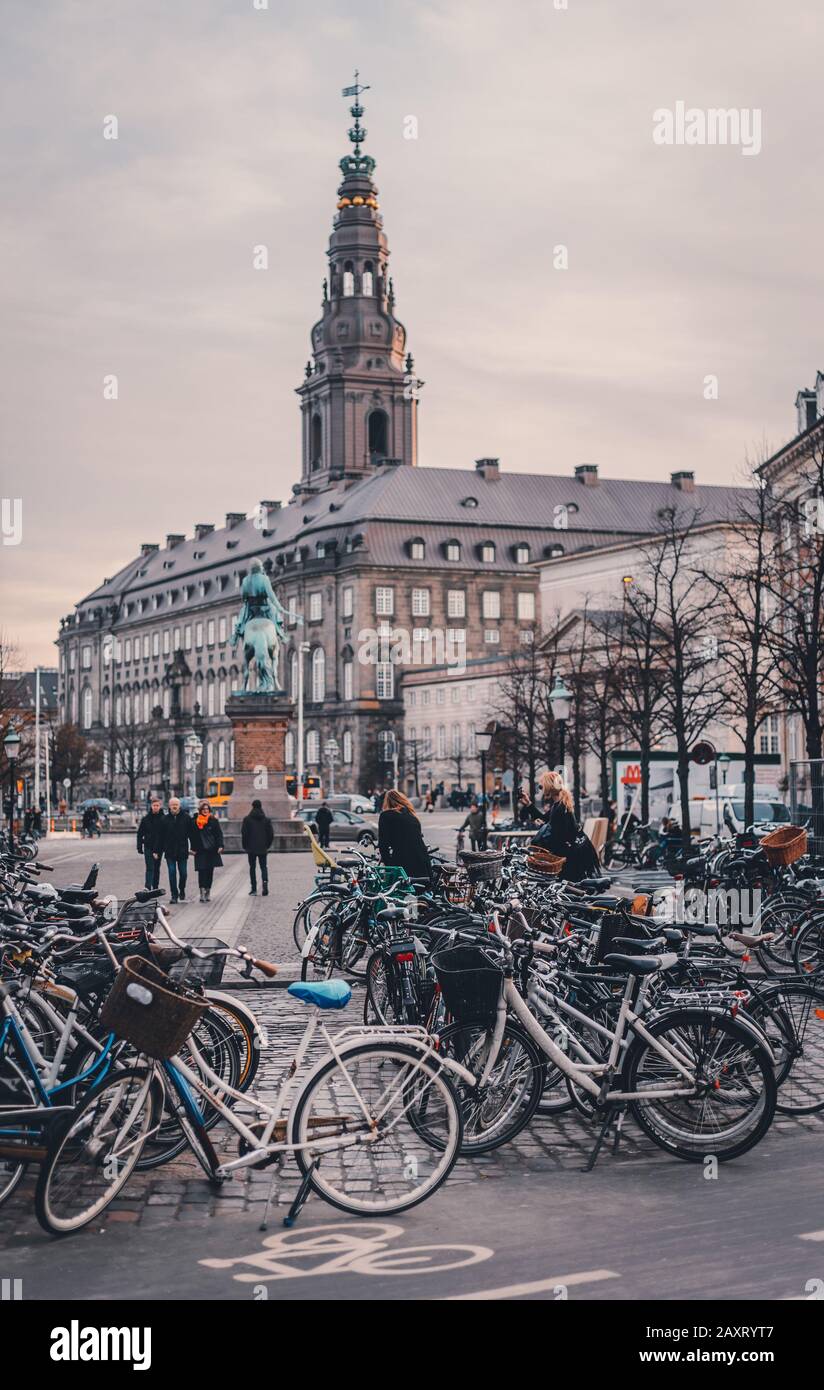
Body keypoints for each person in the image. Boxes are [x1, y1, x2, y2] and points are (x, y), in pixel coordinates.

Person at [520, 771, 599, 882]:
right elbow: (545, 818)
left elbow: (559, 836)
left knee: (570, 886)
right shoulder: (558, 804)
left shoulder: (560, 807)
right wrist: (528, 804)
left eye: (542, 785)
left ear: (549, 786)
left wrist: (540, 841)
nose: (541, 788)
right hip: (577, 849)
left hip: (575, 853)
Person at [378, 788, 432, 880]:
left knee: (396, 887)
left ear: (387, 802)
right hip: (422, 861)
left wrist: (388, 865)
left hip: (403, 862)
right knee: (421, 887)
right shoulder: (412, 815)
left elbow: (383, 845)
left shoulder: (386, 816)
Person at [189, 800, 224, 903]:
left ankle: (208, 891)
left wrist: (220, 845)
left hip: (212, 850)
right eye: (203, 809)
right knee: (202, 871)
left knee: (209, 872)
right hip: (200, 850)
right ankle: (202, 893)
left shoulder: (213, 820)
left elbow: (219, 834)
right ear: (200, 810)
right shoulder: (194, 821)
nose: (205, 811)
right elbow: (191, 836)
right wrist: (192, 848)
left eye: (207, 809)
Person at [162, 796, 192, 903]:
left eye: (176, 804)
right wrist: (158, 850)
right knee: (172, 872)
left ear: (179, 806)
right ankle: (174, 895)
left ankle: (182, 889)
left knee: (183, 873)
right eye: (172, 805)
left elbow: (191, 834)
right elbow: (160, 837)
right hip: (169, 851)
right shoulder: (164, 819)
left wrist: (193, 847)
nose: (174, 806)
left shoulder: (186, 818)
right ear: (169, 806)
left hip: (182, 850)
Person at [241, 799, 274, 895]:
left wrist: (245, 846)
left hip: (251, 848)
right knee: (263, 867)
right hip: (263, 847)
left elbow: (244, 834)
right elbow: (271, 834)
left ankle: (254, 888)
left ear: (252, 806)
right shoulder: (266, 820)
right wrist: (267, 845)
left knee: (252, 868)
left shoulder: (247, 819)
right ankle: (265, 883)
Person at [137, 797, 165, 890]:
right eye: (154, 805)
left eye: (157, 805)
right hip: (148, 846)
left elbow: (164, 835)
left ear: (160, 806)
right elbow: (140, 833)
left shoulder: (163, 819)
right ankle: (148, 887)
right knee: (150, 867)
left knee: (156, 868)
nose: (156, 807)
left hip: (159, 847)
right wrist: (139, 846)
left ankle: (155, 887)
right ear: (151, 806)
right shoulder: (146, 819)